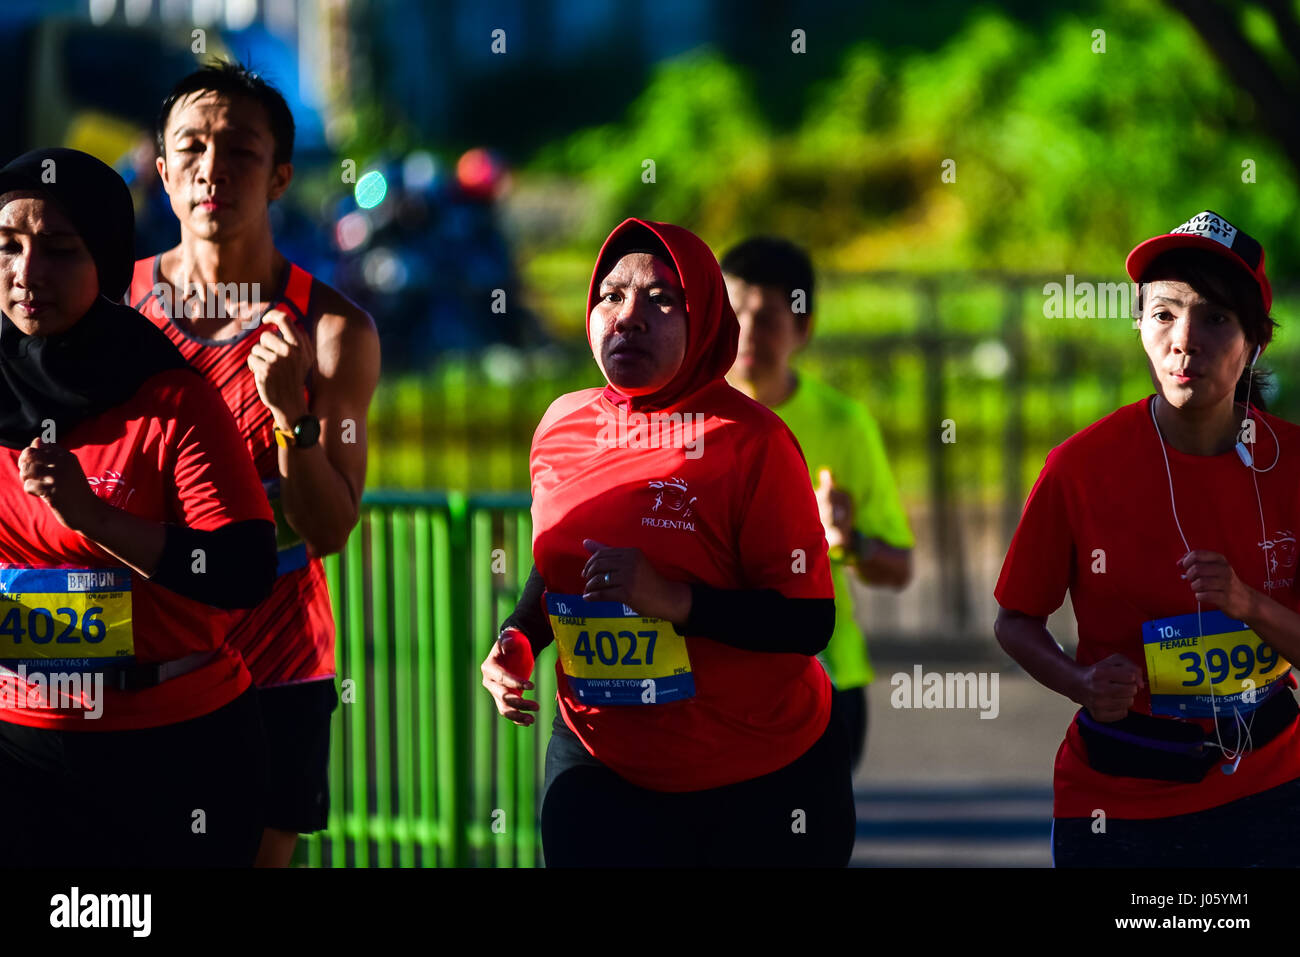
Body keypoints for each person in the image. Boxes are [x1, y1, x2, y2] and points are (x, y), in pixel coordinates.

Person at [480, 218, 856, 867]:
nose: (628, 317)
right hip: (599, 762)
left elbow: (807, 620)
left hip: (758, 780)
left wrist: (673, 600)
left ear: (705, 317)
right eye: (610, 295)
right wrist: (517, 636)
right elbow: (563, 563)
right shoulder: (560, 424)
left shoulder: (752, 441)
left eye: (660, 300)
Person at [130, 60, 381, 867]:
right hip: (141, 655)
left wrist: (289, 413)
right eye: (193, 147)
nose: (214, 168)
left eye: (239, 150)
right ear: (163, 172)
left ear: (279, 177)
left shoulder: (332, 331)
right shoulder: (113, 317)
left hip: (277, 662)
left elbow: (333, 528)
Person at [995, 210, 1300, 867]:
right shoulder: (1080, 467)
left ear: (1258, 340)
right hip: (1120, 797)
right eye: (1163, 313)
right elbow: (1016, 620)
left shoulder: (1291, 464)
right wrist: (1078, 679)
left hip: (1273, 786)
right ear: (1139, 326)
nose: (1184, 340)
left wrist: (1250, 606)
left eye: (1216, 317)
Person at [0, 147, 277, 866]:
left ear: (111, 263)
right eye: (7, 246)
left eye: (60, 250)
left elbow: (243, 568)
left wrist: (94, 518)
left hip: (173, 750)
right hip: (20, 746)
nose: (27, 275)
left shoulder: (170, 397)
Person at [721, 236, 914, 770]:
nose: (746, 333)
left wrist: (849, 542)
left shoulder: (843, 424)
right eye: (733, 312)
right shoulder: (682, 420)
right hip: (711, 685)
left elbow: (897, 569)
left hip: (824, 679)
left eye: (766, 318)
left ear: (804, 327)